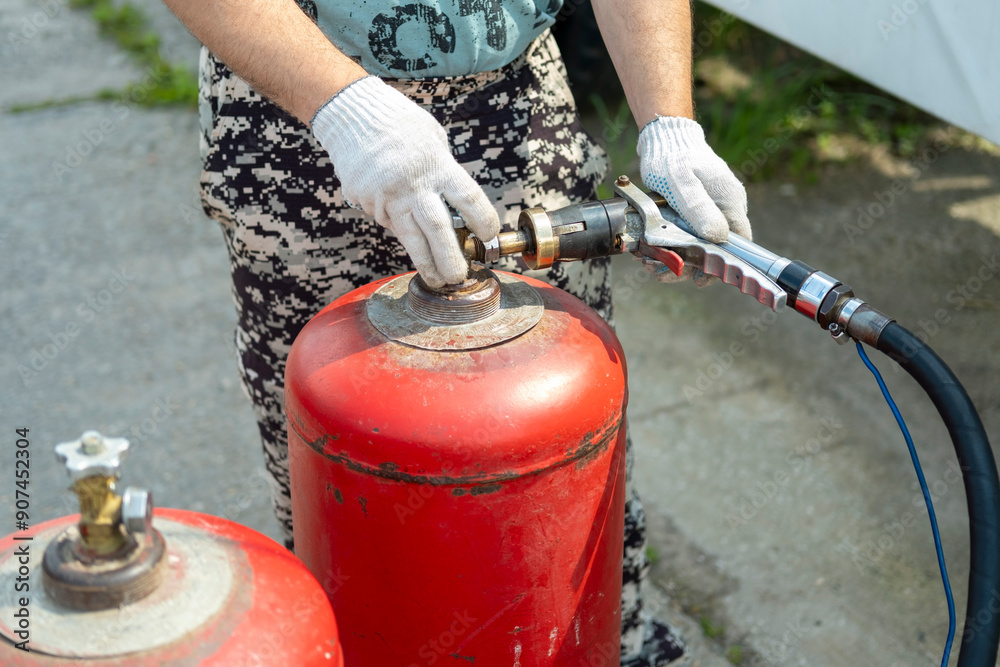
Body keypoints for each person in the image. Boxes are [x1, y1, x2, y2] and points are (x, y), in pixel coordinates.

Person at [162, 0, 751, 663]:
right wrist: (343, 106)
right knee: (348, 484)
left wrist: (669, 124)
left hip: (516, 108)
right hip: (305, 116)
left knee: (557, 455)